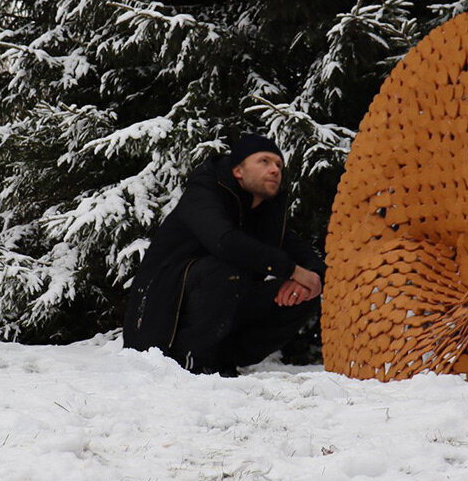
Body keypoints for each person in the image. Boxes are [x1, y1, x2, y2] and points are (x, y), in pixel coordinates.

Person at [123, 134, 325, 376]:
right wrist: (293, 271)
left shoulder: (264, 215)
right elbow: (224, 241)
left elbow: (303, 253)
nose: (274, 170)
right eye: (264, 161)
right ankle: (191, 361)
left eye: (279, 165)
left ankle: (220, 360)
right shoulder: (204, 193)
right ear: (238, 170)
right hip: (159, 322)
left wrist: (311, 279)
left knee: (304, 295)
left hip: (218, 314)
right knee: (226, 270)